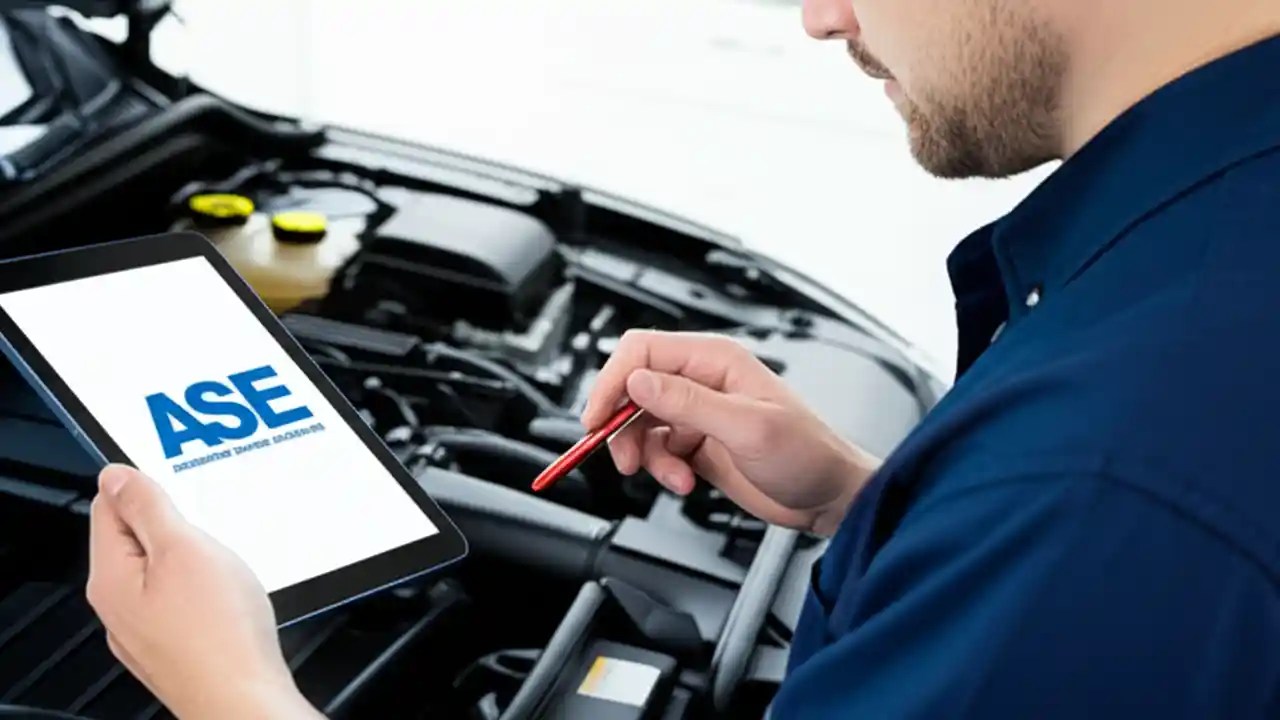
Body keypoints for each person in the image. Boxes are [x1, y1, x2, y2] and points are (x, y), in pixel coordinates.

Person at [87, 0, 1280, 717]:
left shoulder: (1096, 486)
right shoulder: (1204, 274)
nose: (816, 14)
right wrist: (879, 509)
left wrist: (231, 693)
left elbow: (1114, 540)